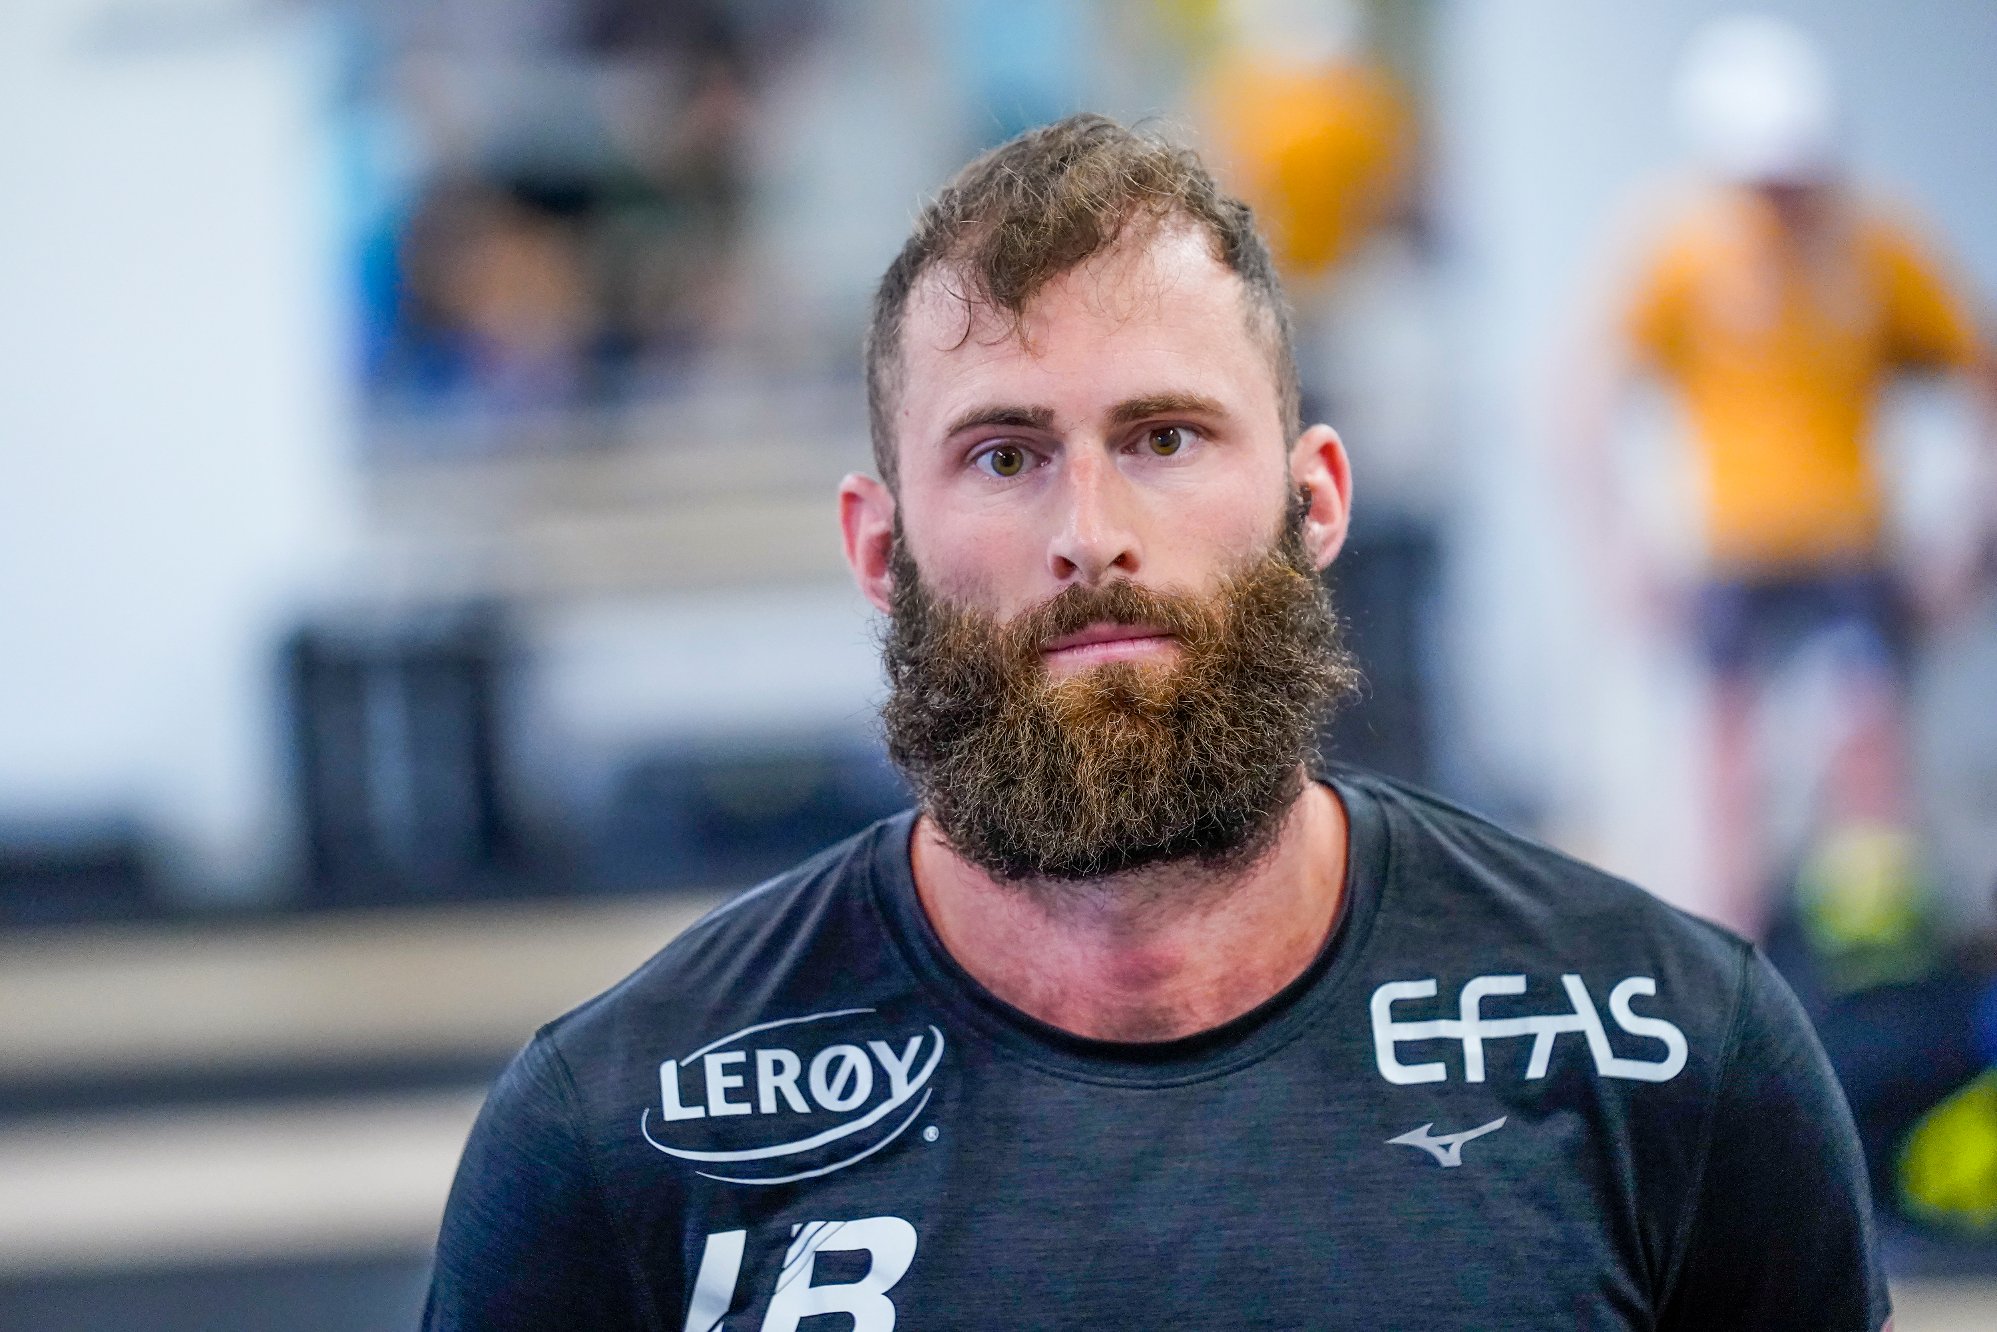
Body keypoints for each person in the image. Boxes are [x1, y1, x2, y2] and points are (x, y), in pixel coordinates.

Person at [425, 114, 1887, 1330]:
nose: (1091, 533)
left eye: (1164, 438)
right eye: (1004, 456)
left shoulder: (1680, 1055)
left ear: (1314, 499)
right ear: (880, 551)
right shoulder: (611, 1139)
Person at [1571, 15, 1997, 940]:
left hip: (1849, 544)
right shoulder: (1684, 252)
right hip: (1731, 550)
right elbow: (1583, 395)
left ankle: (1870, 961)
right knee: (1726, 764)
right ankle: (1737, 957)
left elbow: (1978, 369)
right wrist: (1619, 546)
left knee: (1865, 745)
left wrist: (1968, 535)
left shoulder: (1874, 247)